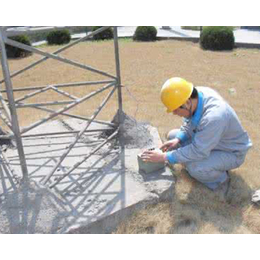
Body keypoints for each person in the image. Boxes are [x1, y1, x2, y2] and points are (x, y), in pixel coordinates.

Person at [141, 77, 252, 191]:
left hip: (231, 152)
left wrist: (164, 157)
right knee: (173, 136)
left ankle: (221, 181)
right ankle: (212, 163)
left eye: (175, 109)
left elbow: (198, 151)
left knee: (194, 167)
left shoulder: (214, 117)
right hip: (212, 141)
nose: (174, 113)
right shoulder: (196, 95)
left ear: (187, 102)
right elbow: (189, 122)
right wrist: (179, 139)